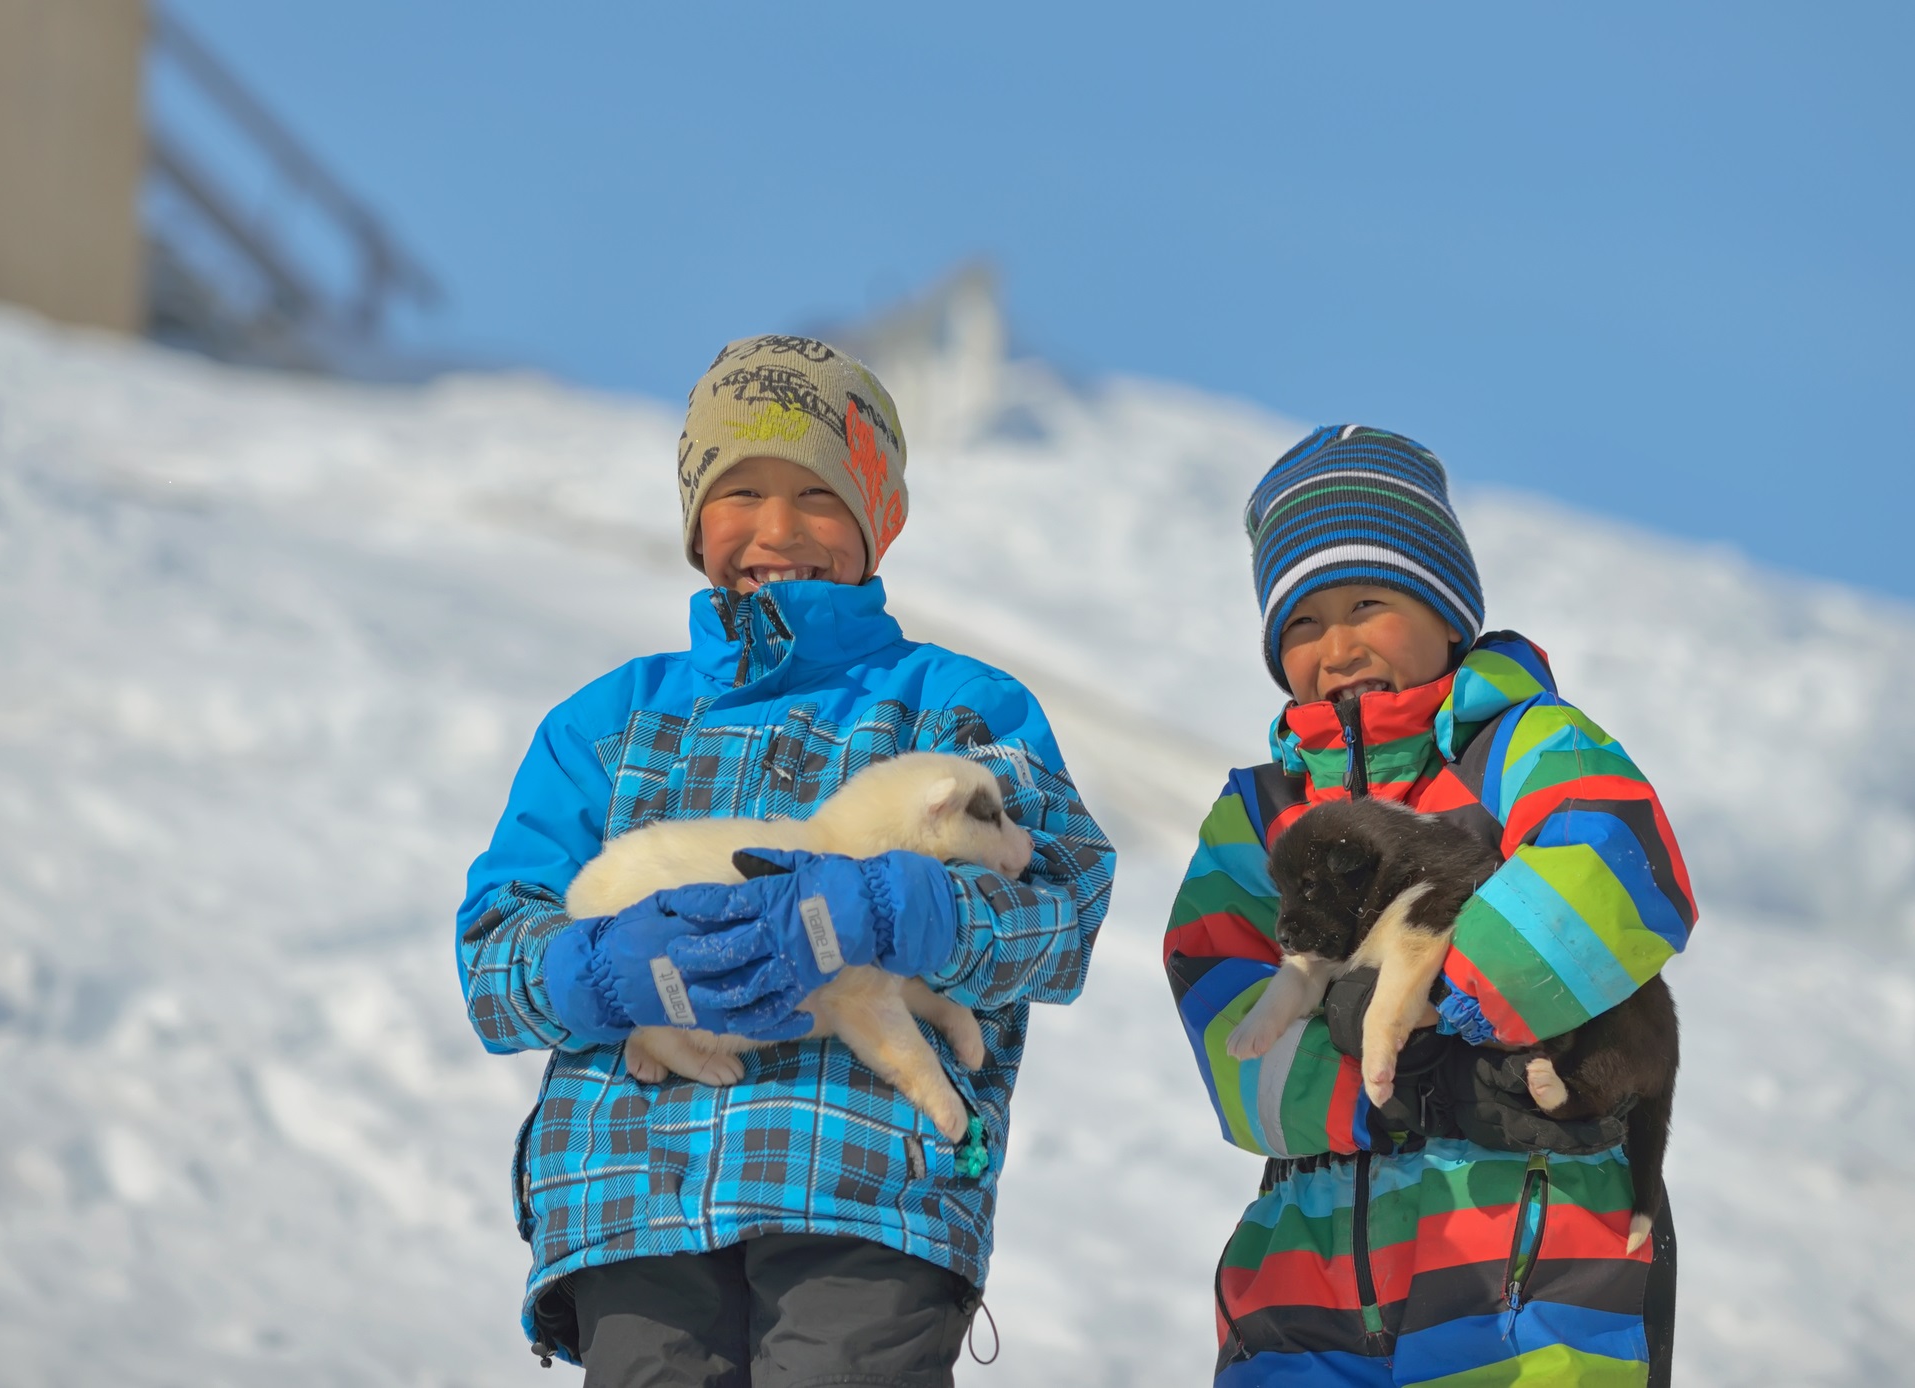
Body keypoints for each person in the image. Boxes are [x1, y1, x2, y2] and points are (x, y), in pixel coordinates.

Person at [457, 335, 1115, 1385]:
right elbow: (493, 957)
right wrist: (594, 966)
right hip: (630, 1197)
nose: (775, 529)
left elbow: (1064, 909)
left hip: (864, 1182)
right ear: (692, 519)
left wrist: (908, 906)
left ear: (875, 516)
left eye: (817, 494)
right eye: (739, 491)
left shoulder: (956, 707)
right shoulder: (607, 724)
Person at [1164, 426, 1691, 1386]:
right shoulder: (1260, 815)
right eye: (1301, 623)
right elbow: (1222, 1008)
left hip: (1524, 1265)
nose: (1337, 645)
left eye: (1368, 602)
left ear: (1446, 611)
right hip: (1298, 1282)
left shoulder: (1525, 744)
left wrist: (1448, 1010)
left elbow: (1618, 873)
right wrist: (1392, 1087)